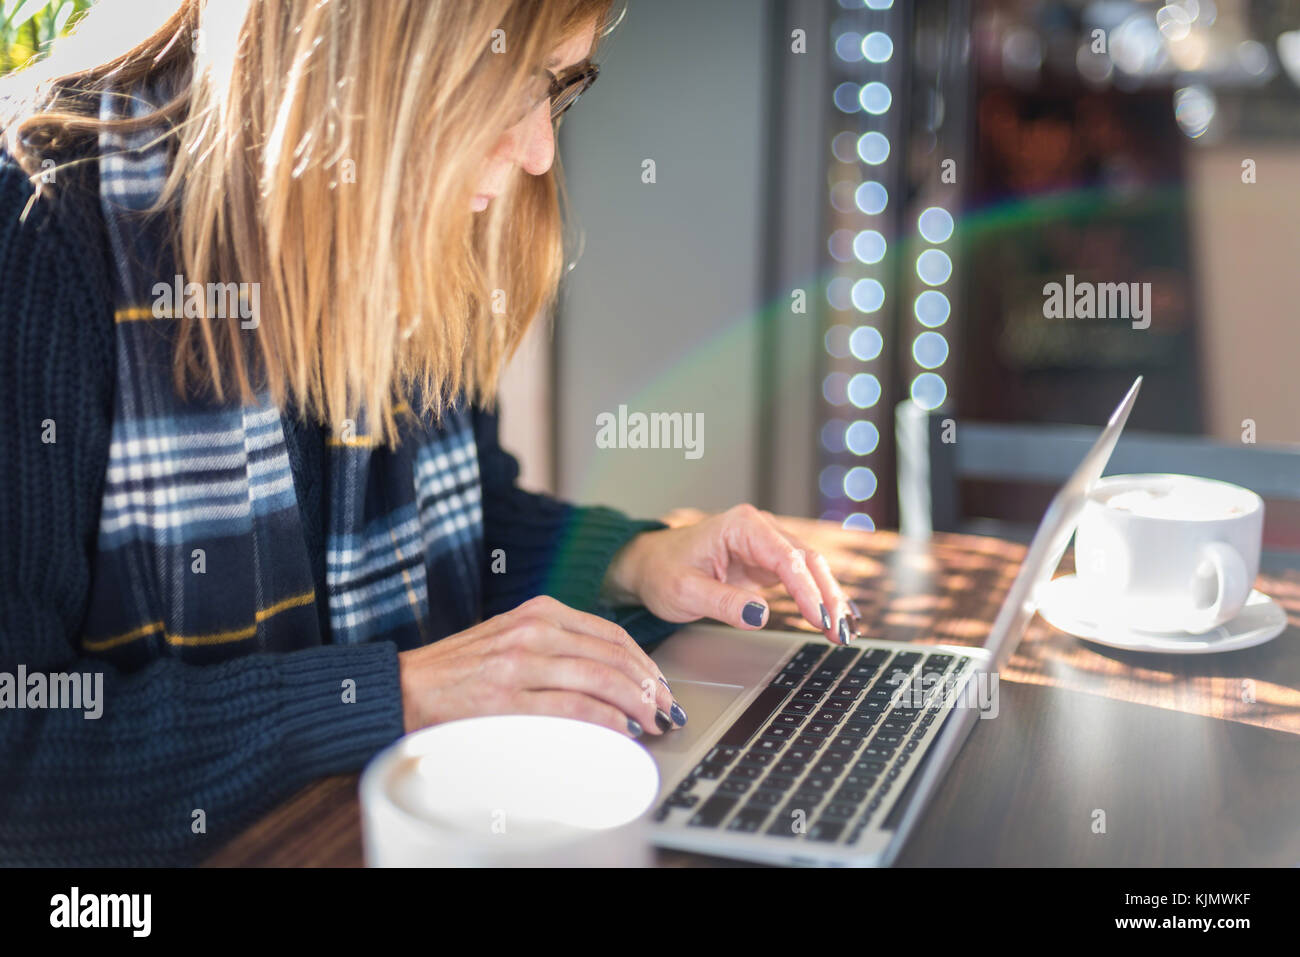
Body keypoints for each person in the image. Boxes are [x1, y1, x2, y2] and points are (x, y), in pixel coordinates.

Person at [0, 0, 858, 865]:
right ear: (369, 54)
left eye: (558, 89)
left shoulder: (405, 228)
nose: (539, 151)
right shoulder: (44, 228)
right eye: (511, 84)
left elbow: (465, 525)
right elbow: (20, 760)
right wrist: (395, 693)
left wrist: (633, 560)